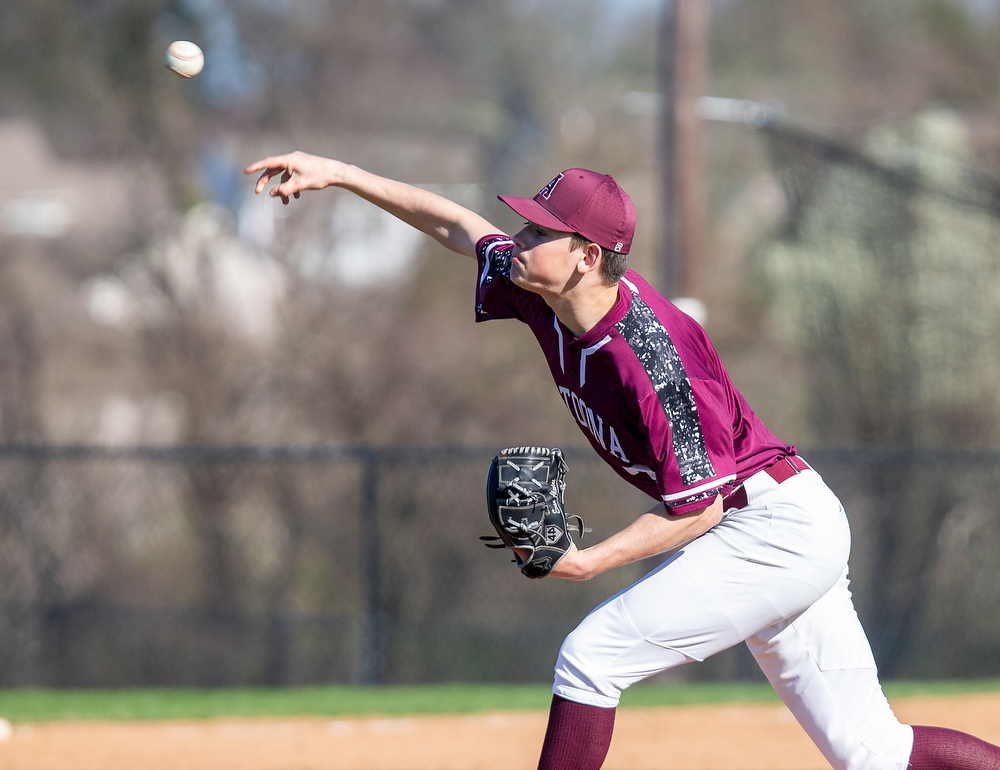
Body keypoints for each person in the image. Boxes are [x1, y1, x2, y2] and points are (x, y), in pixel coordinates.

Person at [245, 152, 1000, 770]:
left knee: (590, 659)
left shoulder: (651, 359)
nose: (520, 237)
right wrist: (338, 172)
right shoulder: (537, 290)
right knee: (873, 754)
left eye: (541, 230)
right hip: (777, 519)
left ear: (586, 256)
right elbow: (455, 223)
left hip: (771, 528)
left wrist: (591, 560)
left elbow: (700, 505)